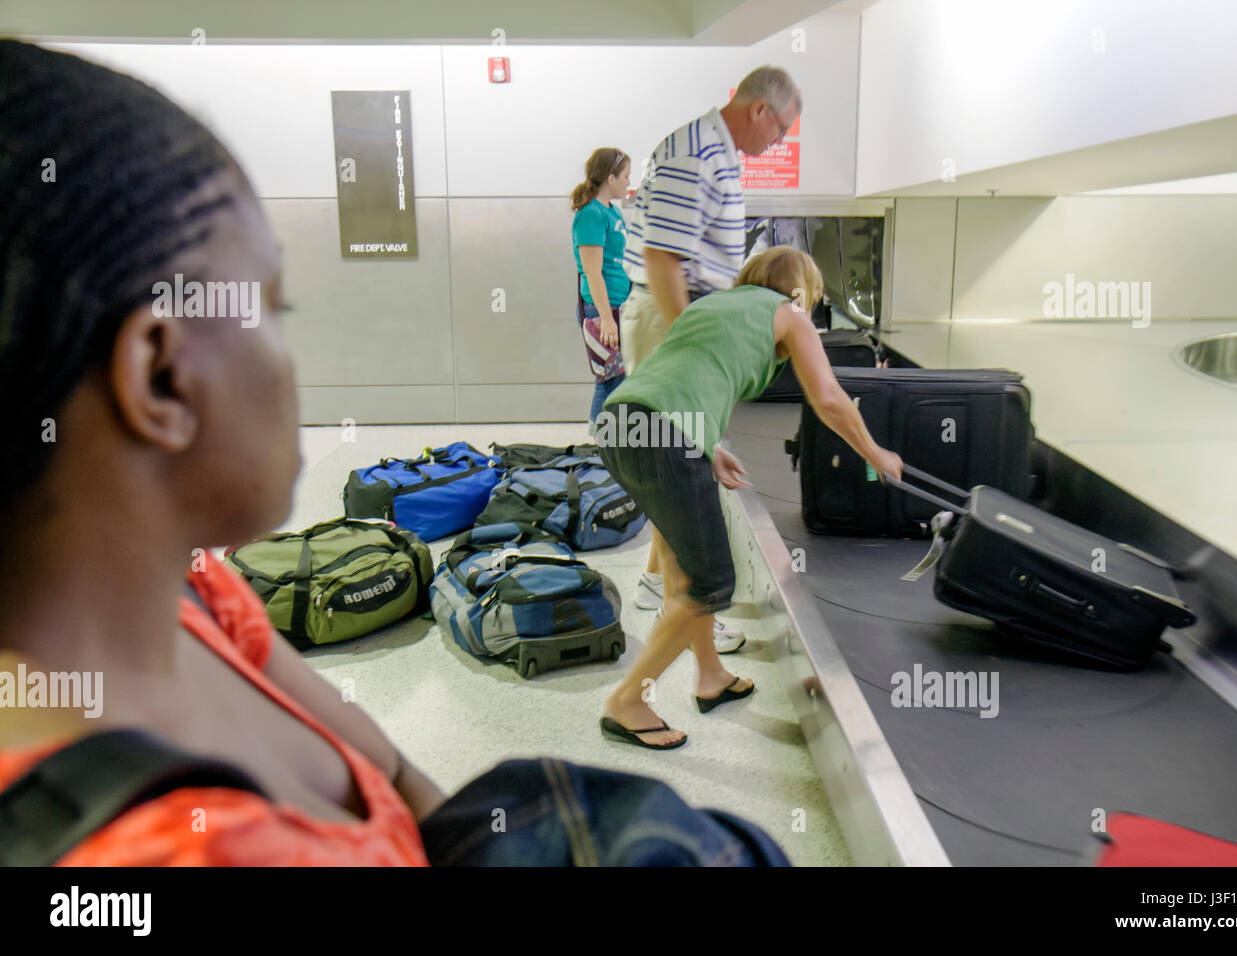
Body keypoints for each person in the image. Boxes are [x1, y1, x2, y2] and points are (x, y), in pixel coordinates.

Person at [0, 40, 786, 866]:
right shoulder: (165, 851)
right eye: (274, 304)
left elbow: (391, 774)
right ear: (160, 377)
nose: (291, 355)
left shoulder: (192, 596)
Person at [595, 247, 905, 749]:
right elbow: (827, 397)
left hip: (621, 422)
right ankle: (628, 699)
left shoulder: (712, 306)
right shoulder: (792, 314)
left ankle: (711, 676)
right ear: (803, 291)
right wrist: (876, 453)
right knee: (712, 582)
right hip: (666, 434)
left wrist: (708, 446)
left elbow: (680, 373)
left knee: (681, 567)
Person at [620, 65, 802, 655]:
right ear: (757, 110)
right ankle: (690, 613)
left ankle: (659, 585)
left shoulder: (716, 152)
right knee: (679, 471)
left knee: (682, 464)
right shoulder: (698, 152)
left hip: (681, 314)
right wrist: (693, 341)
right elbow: (663, 258)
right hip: (671, 317)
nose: (777, 143)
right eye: (780, 130)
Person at [571, 148, 632, 435]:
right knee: (609, 380)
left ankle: (607, 444)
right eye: (625, 177)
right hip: (602, 309)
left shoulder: (611, 211)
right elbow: (592, 272)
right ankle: (599, 444)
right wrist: (606, 318)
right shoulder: (590, 216)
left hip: (619, 304)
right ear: (611, 178)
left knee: (620, 377)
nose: (628, 183)